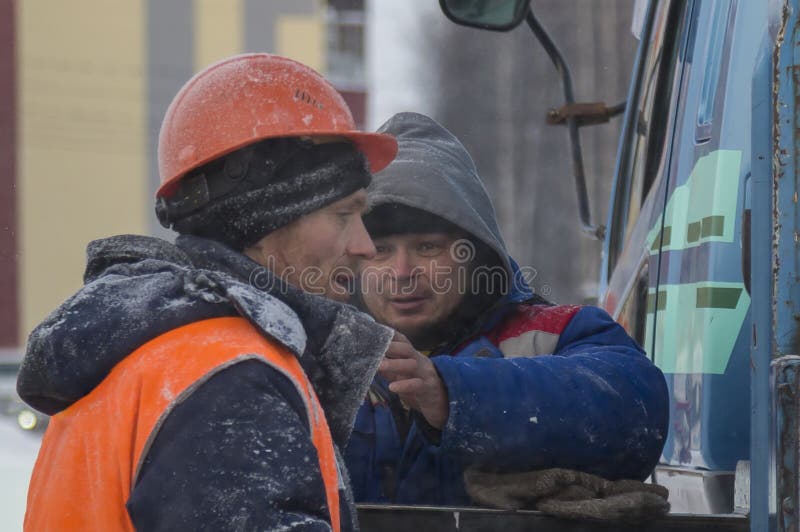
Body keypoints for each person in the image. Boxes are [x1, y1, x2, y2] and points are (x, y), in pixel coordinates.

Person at [17, 53, 398, 531]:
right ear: (263, 221)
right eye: (344, 214)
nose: (365, 246)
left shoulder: (152, 349)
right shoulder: (229, 378)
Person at [344, 112, 669, 506]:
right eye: (381, 251)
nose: (402, 273)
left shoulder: (554, 333)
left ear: (476, 254)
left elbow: (636, 412)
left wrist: (453, 393)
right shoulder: (318, 352)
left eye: (428, 247)